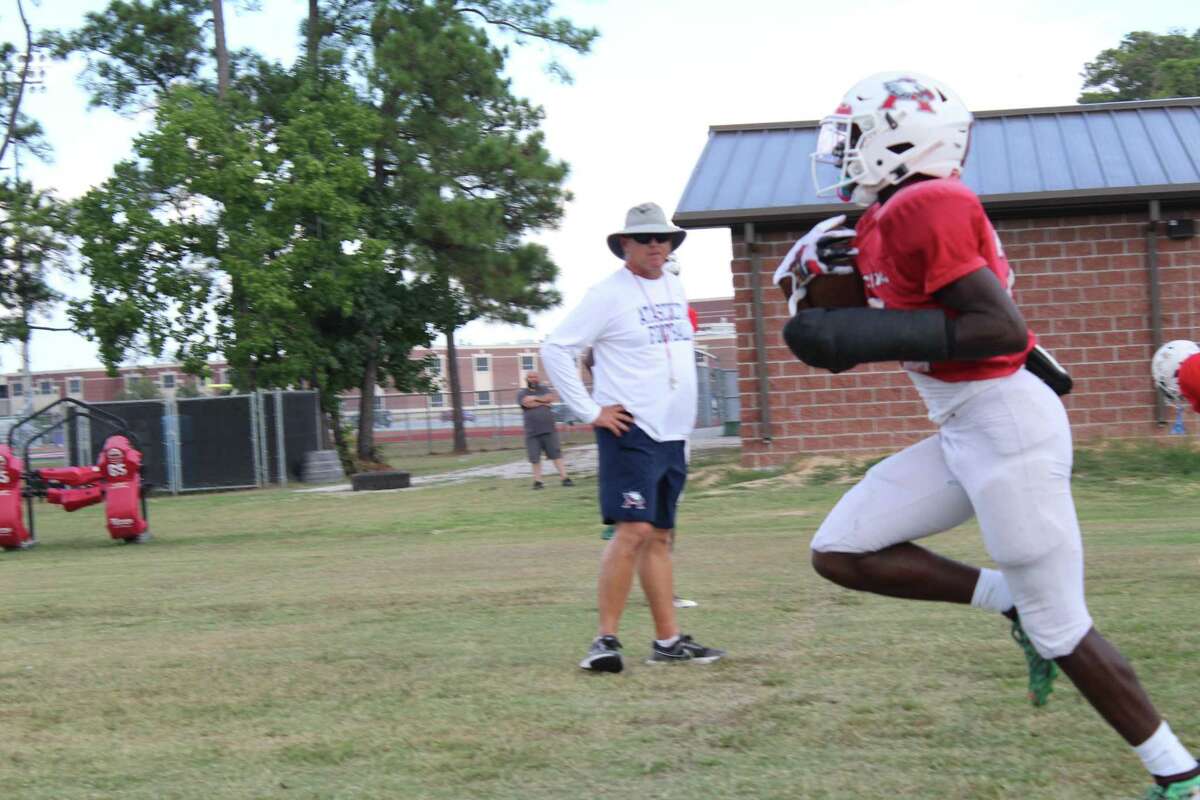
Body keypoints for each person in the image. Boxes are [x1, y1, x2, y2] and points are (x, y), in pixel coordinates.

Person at [776, 71, 1200, 799]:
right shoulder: (887, 216)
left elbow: (997, 329)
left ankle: (1179, 774)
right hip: (965, 427)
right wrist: (841, 301)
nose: (843, 151)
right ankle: (1005, 599)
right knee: (841, 550)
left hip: (1007, 429)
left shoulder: (929, 202)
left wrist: (857, 329)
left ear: (902, 139)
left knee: (1062, 626)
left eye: (855, 135)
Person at [541, 201, 724, 672]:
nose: (656, 246)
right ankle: (605, 641)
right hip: (631, 428)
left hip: (672, 432)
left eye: (663, 238)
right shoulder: (606, 294)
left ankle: (668, 642)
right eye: (645, 239)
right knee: (634, 529)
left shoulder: (674, 285)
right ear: (625, 244)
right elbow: (556, 348)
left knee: (660, 534)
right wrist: (589, 410)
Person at [516, 371, 573, 490]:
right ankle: (538, 482)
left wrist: (535, 398)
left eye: (535, 377)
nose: (533, 379)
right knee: (535, 457)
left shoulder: (544, 388)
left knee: (556, 454)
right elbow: (526, 404)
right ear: (526, 379)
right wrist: (544, 403)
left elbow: (550, 398)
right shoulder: (522, 393)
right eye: (530, 377)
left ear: (538, 378)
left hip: (549, 429)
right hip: (532, 431)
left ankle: (565, 478)